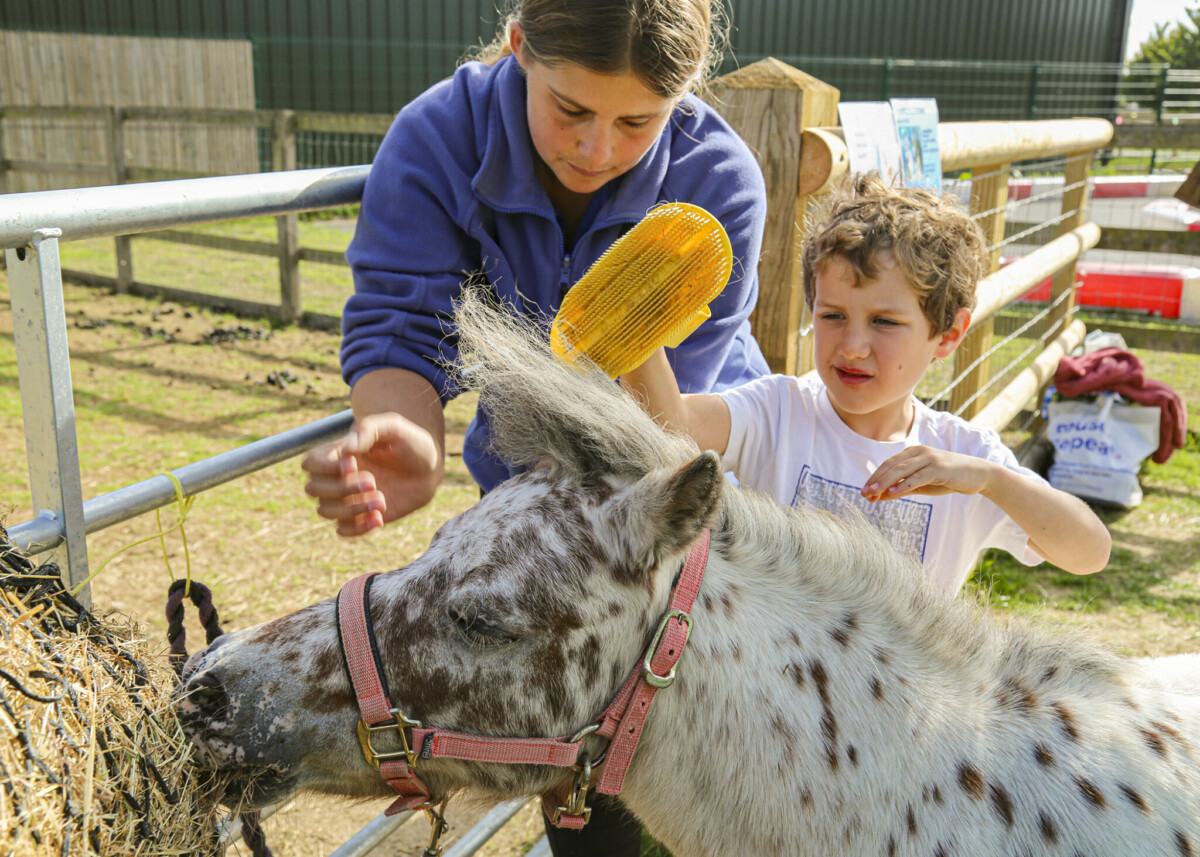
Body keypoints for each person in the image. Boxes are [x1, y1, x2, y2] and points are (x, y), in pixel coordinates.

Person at [300, 1, 769, 854]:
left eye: (637, 122)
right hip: (532, 499)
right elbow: (402, 324)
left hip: (677, 493)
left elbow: (658, 431)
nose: (596, 150)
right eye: (571, 110)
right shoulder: (440, 137)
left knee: (711, 765)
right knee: (575, 756)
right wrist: (404, 433)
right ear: (519, 47)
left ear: (686, 95)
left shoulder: (718, 183)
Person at [621, 173, 1112, 594]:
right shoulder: (777, 411)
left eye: (884, 322)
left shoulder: (965, 454)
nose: (852, 346)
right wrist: (638, 323)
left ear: (948, 334)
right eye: (833, 316)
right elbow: (671, 424)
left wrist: (992, 481)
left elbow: (1090, 552)